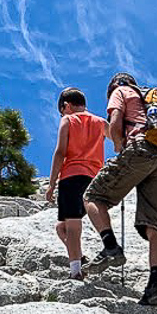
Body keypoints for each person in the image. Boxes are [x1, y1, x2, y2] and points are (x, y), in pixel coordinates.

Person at [84, 71, 157, 306]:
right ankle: (154, 286)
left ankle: (110, 247)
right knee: (155, 227)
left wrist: (119, 145)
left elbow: (115, 121)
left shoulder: (121, 91)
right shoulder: (152, 100)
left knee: (93, 196)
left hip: (140, 148)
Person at [45, 87, 108, 279]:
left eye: (62, 111)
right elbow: (118, 140)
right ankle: (80, 258)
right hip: (93, 179)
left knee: (71, 225)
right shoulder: (100, 122)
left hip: (71, 177)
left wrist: (52, 183)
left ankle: (76, 272)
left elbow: (60, 152)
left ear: (66, 106)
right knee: (61, 227)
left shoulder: (68, 120)